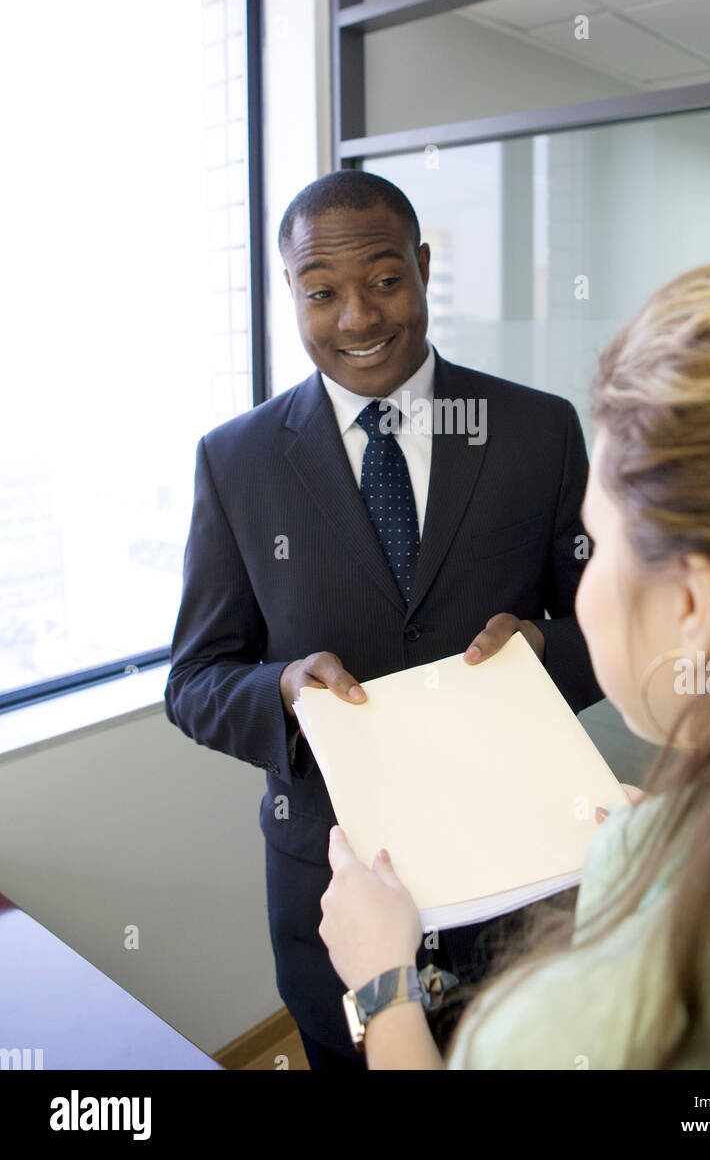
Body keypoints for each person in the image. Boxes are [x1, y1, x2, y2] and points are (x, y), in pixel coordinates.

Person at [318, 245, 710, 1069]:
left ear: (695, 608)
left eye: (600, 539)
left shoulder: (565, 1034)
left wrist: (383, 991)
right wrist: (666, 850)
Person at [164, 170, 603, 1068]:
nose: (358, 317)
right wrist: (284, 689)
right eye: (322, 293)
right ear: (292, 294)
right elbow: (196, 680)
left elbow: (612, 635)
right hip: (334, 892)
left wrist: (546, 651)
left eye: (384, 279)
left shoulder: (538, 431)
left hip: (523, 876)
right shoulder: (234, 462)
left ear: (423, 267)